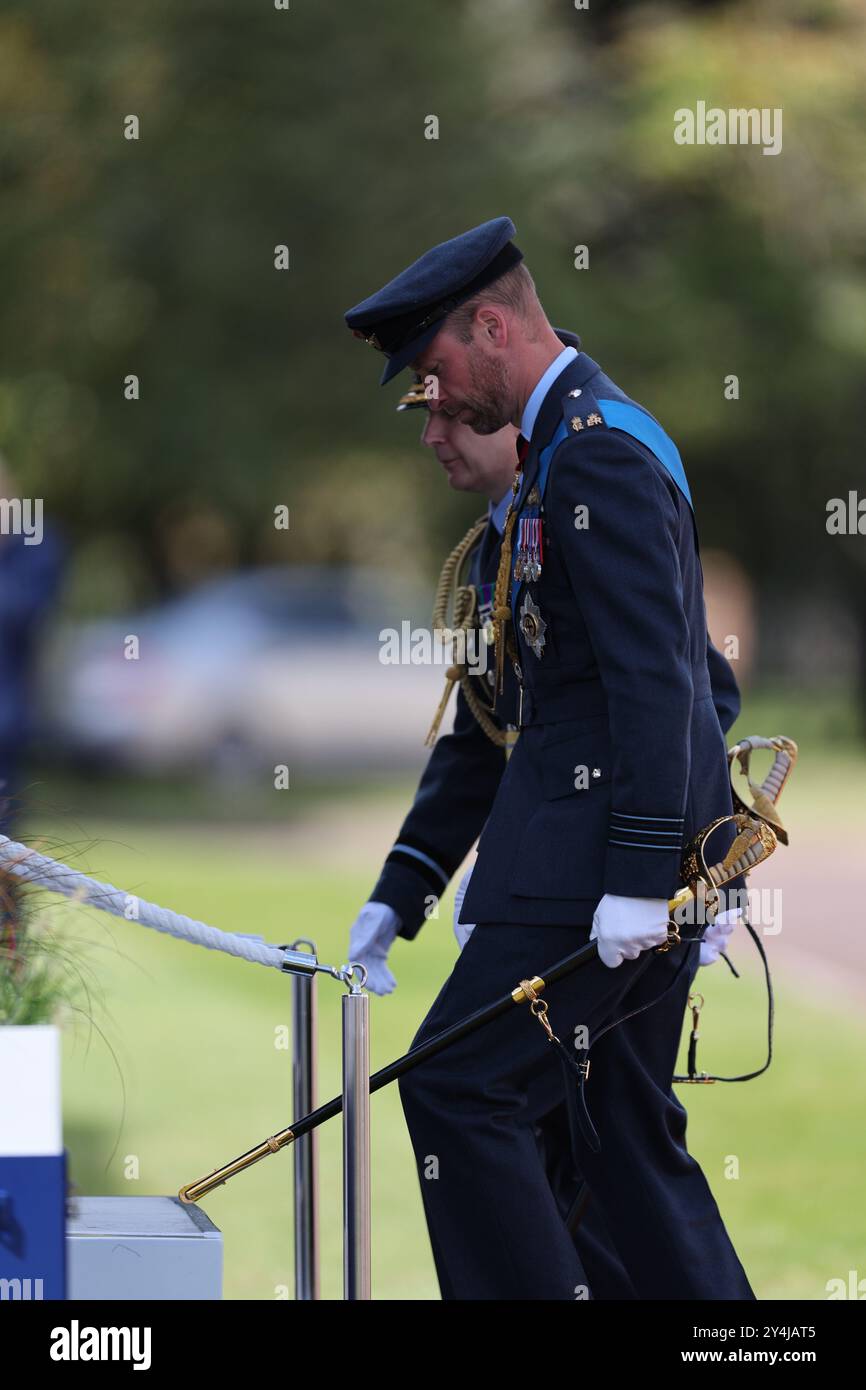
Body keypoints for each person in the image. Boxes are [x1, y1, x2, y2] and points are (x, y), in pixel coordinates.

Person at [345, 235, 750, 1300]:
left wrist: (640, 873)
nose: (432, 406)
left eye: (432, 373)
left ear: (491, 325)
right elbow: (495, 720)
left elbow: (665, 684)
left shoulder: (596, 451)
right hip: (583, 864)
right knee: (609, 1145)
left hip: (595, 872)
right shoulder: (551, 465)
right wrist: (407, 885)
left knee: (456, 1088)